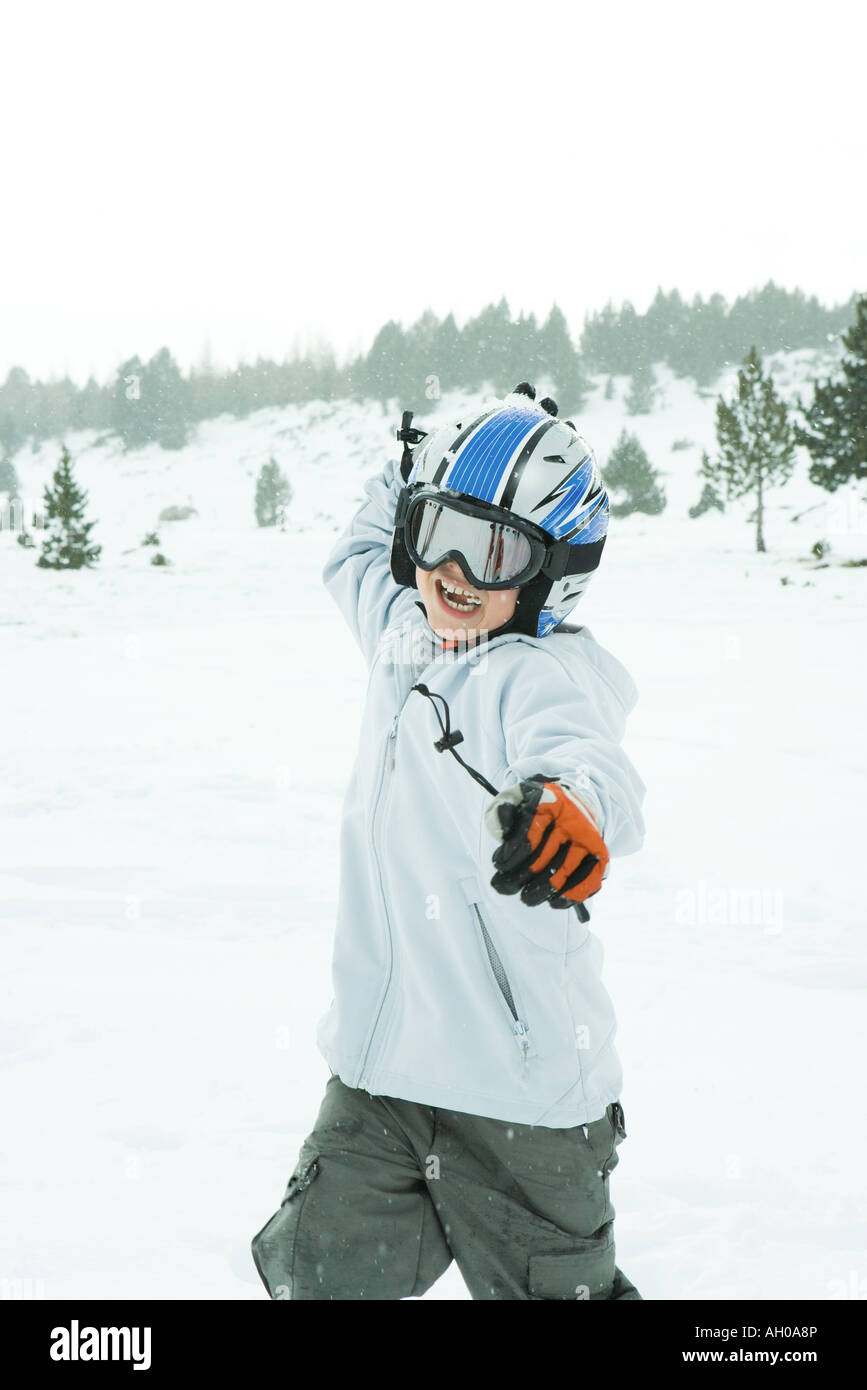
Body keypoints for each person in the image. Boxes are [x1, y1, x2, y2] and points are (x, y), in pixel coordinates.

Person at [251, 382, 647, 1299]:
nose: (456, 572)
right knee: (315, 1278)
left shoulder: (538, 676)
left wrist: (566, 810)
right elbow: (355, 549)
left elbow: (590, 766)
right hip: (379, 1076)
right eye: (439, 534)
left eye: (496, 548)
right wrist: (407, 468)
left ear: (553, 571)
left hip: (526, 1101)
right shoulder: (401, 631)